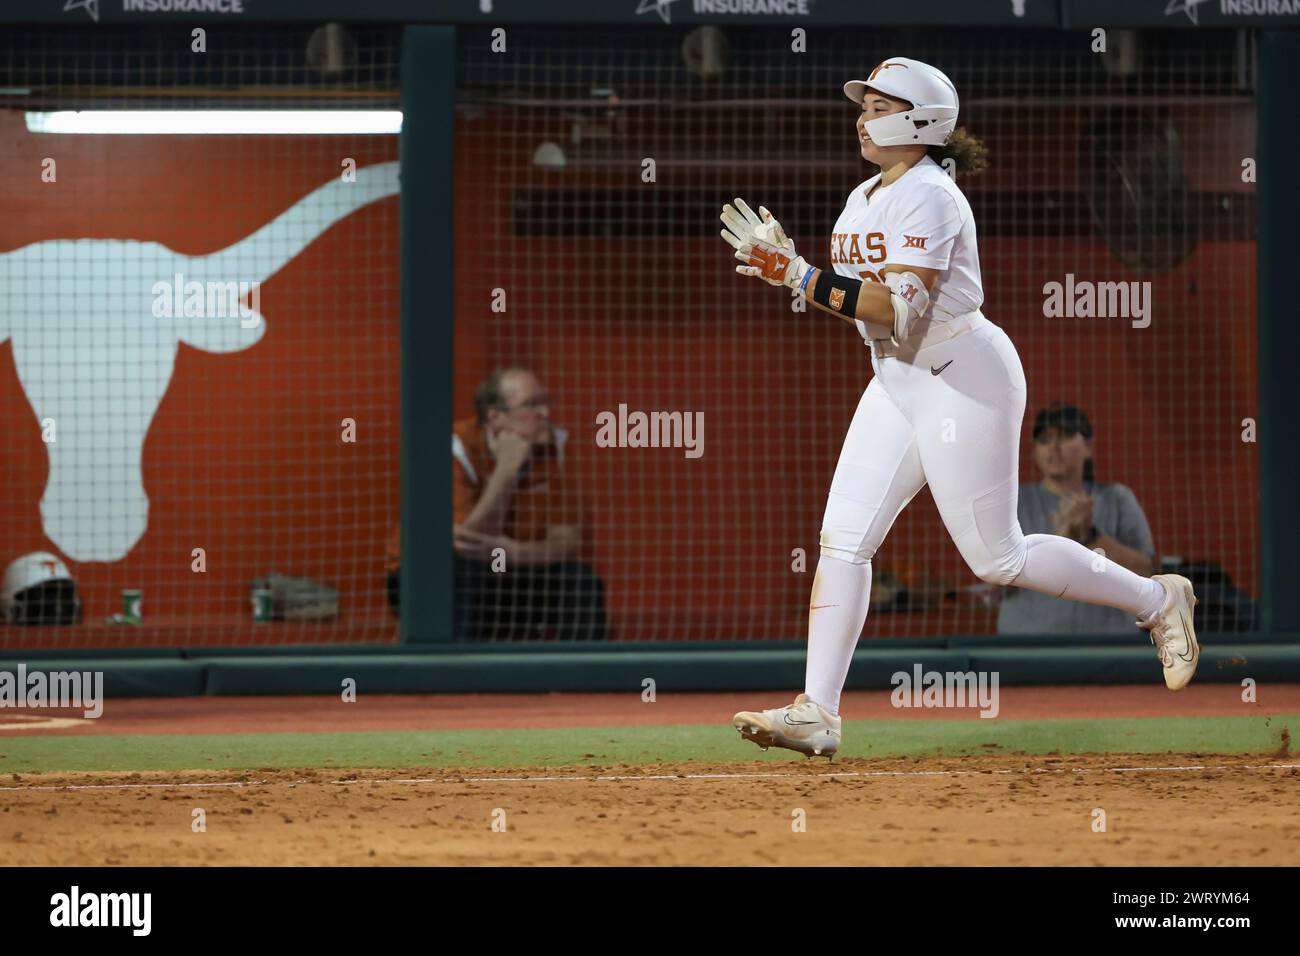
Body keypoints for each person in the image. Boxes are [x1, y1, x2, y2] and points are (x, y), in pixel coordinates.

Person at [721, 57, 1198, 759]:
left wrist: (797, 273)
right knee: (843, 541)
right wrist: (795, 270)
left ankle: (1160, 601)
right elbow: (860, 311)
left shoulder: (933, 196)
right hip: (894, 380)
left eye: (880, 105)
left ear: (921, 119)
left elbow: (897, 311)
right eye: (865, 104)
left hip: (960, 374)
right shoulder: (862, 198)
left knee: (996, 559)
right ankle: (817, 711)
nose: (863, 115)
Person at [450, 367, 608, 641]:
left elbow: (567, 541)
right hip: (447, 576)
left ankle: (582, 679)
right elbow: (465, 543)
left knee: (579, 580)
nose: (545, 413)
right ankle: (450, 678)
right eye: (532, 405)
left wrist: (513, 553)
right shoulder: (456, 446)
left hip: (516, 570)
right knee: (460, 575)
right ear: (495, 416)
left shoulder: (555, 446)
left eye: (546, 402)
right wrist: (506, 471)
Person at [998, 403, 1156, 634]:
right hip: (1027, 643)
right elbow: (995, 573)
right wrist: (1060, 544)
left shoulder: (1116, 498)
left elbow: (1147, 572)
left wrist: (1089, 536)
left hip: (1109, 644)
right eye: (1044, 439)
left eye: (1065, 436)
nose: (1053, 446)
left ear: (1088, 446)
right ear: (1034, 450)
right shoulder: (1014, 500)